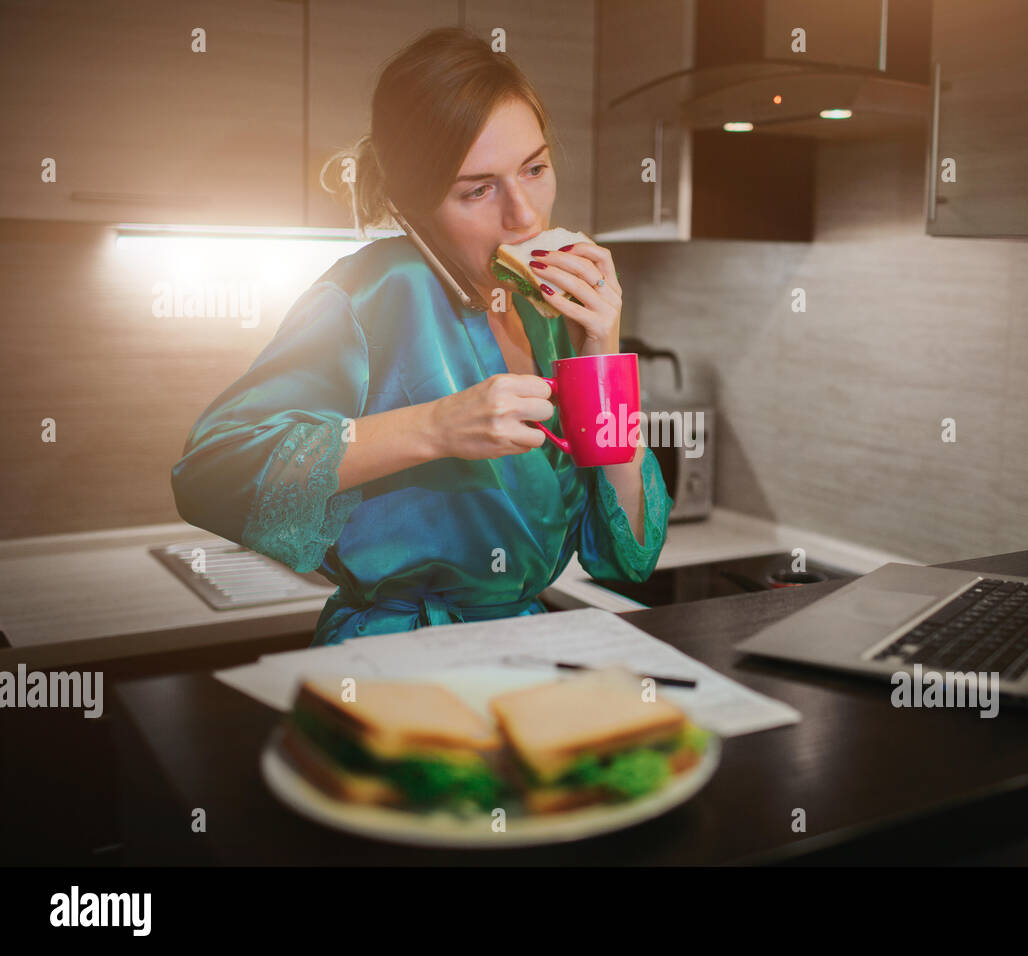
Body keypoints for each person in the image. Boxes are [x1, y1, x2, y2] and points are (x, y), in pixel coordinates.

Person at [170, 27, 672, 647]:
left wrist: (604, 354)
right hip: (393, 653)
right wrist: (436, 426)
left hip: (526, 648)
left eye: (535, 168)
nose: (525, 215)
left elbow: (629, 558)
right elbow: (211, 471)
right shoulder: (370, 291)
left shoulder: (551, 313)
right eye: (478, 189)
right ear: (413, 201)